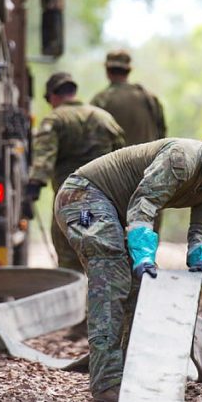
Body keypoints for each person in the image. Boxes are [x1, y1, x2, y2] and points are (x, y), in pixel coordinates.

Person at [53, 116, 202, 402]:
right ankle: (106, 383)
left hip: (112, 211)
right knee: (112, 274)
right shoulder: (181, 158)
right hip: (82, 196)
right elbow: (144, 204)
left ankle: (126, 370)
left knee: (139, 289)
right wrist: (144, 256)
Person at [26, 72, 125, 275]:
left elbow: (44, 157)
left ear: (53, 96)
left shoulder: (54, 119)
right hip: (103, 202)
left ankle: (76, 301)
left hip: (70, 202)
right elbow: (122, 156)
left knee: (70, 260)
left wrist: (33, 187)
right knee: (102, 256)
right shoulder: (104, 118)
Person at [91, 50, 166, 146]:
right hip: (149, 160)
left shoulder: (100, 100)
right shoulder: (149, 98)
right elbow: (162, 134)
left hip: (114, 160)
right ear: (128, 71)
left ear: (108, 72)